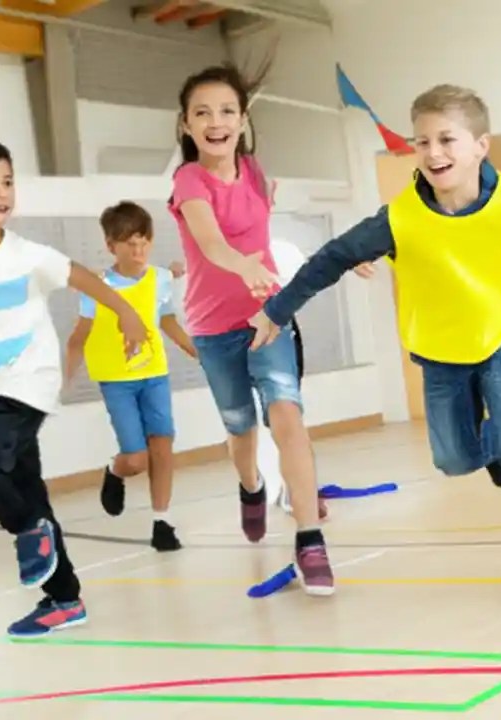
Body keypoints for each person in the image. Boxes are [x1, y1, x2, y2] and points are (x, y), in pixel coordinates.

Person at [250, 83, 501, 605]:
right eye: (422, 142)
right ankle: (493, 449)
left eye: (447, 140)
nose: (434, 153)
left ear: (481, 145)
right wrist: (277, 311)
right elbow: (330, 258)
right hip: (440, 355)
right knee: (455, 459)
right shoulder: (398, 220)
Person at [0, 138, 149, 637]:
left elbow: (83, 278)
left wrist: (126, 312)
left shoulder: (27, 255)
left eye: (8, 182)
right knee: (24, 489)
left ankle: (29, 531)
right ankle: (63, 599)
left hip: (28, 384)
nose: (1, 192)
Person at [168, 63, 333, 596]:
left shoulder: (257, 173)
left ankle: (309, 539)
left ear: (242, 119)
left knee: (287, 414)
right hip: (214, 327)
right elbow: (212, 243)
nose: (216, 122)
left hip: (267, 316)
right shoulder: (188, 180)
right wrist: (245, 266)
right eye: (203, 113)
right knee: (241, 428)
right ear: (187, 125)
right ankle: (251, 486)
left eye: (227, 111)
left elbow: (258, 226)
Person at [63, 201, 197, 552]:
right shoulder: (97, 288)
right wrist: (62, 379)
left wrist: (195, 350)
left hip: (154, 374)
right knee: (137, 458)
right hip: (116, 379)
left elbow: (166, 319)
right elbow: (79, 337)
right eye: (129, 244)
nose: (138, 251)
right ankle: (115, 470)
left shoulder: (160, 279)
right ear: (111, 246)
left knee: (164, 446)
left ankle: (162, 522)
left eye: (144, 243)